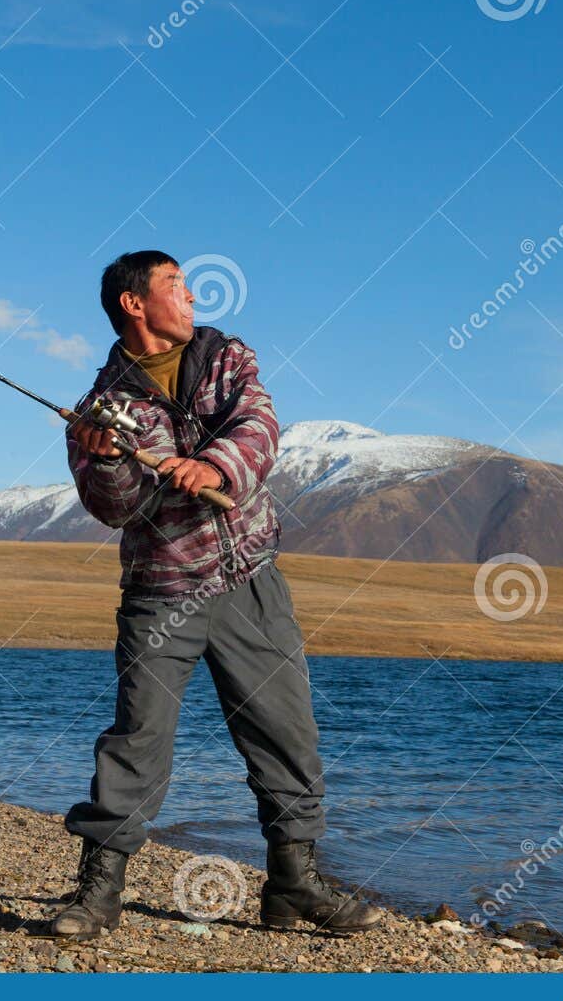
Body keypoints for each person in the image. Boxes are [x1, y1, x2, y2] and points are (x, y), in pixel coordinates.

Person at [41, 249, 382, 940]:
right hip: (161, 590)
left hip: (251, 578)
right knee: (138, 739)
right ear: (134, 303)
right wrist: (108, 458)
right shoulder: (98, 409)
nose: (191, 296)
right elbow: (112, 508)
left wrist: (212, 463)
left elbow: (260, 427)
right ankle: (99, 891)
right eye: (176, 285)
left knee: (288, 735)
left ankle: (293, 883)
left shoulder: (225, 357)